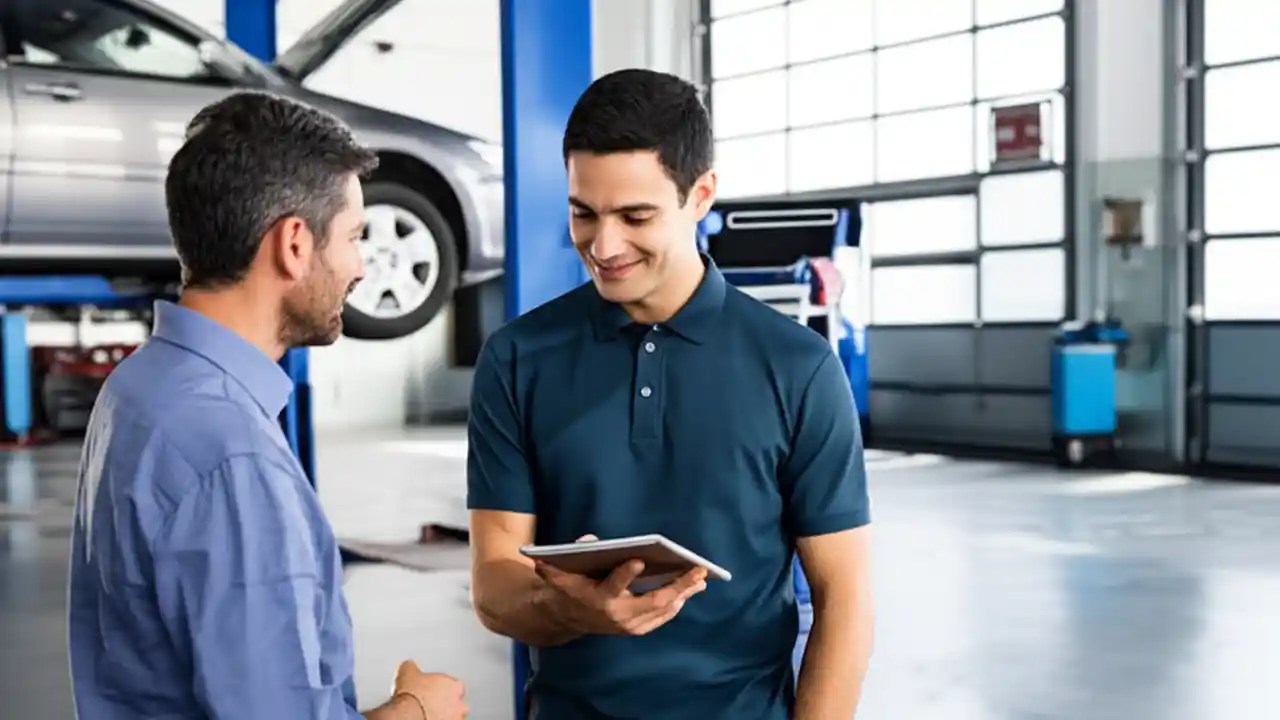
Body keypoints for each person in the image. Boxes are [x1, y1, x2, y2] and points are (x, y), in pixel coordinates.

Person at [467, 68, 874, 718]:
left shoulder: (798, 367)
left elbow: (843, 596)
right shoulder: (517, 360)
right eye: (583, 213)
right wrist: (568, 608)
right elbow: (493, 584)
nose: (603, 245)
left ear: (701, 195)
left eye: (635, 216)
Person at [67, 91, 468, 720]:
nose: (361, 266)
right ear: (294, 245)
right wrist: (420, 710)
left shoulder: (140, 387)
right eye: (355, 236)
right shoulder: (232, 455)